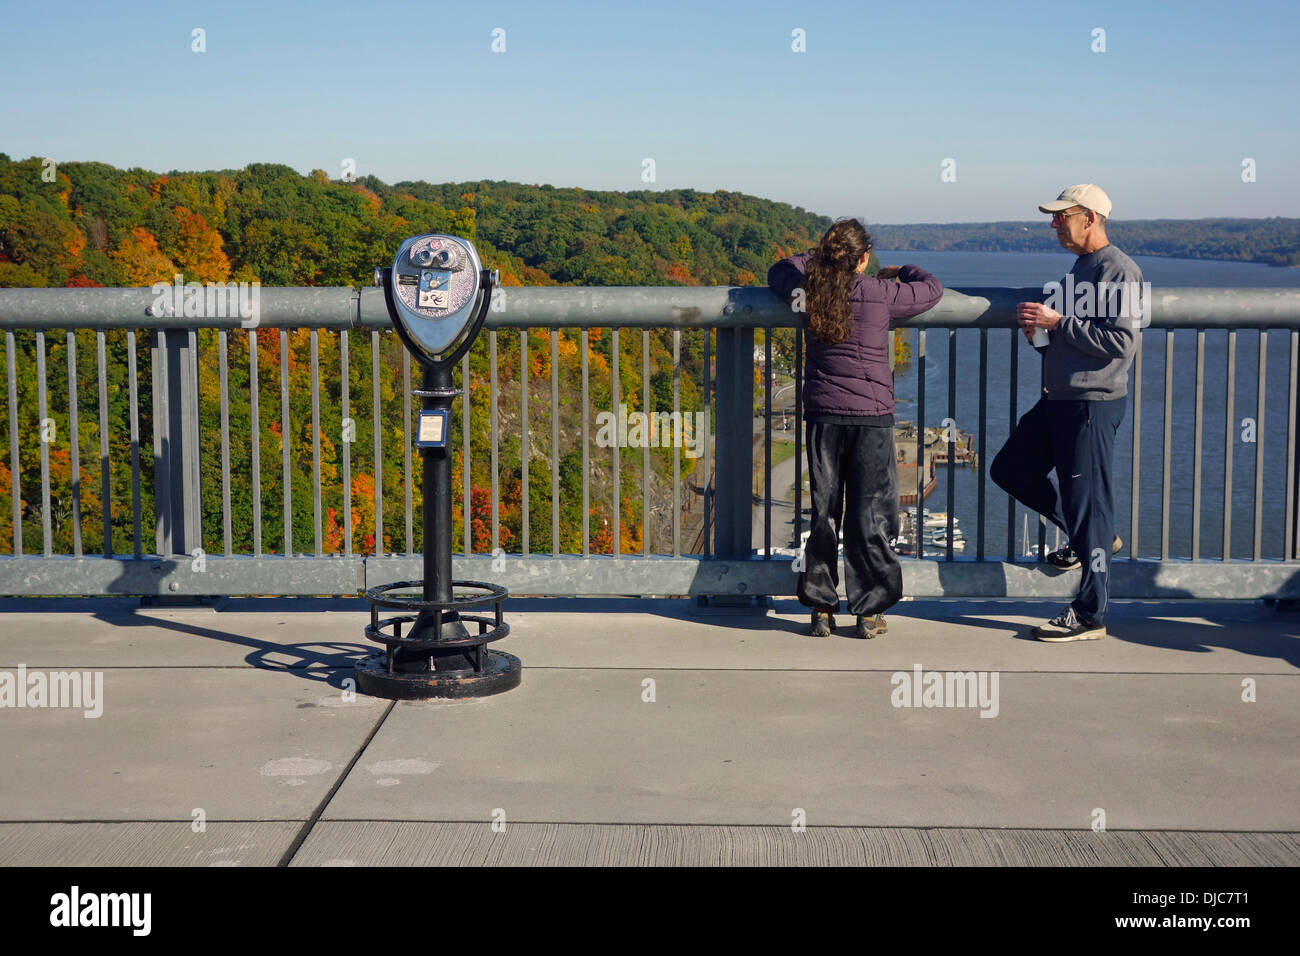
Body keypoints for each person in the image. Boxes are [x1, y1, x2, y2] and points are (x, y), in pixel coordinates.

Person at [768, 219, 943, 638]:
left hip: (824, 415)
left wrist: (818, 261)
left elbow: (780, 270)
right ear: (864, 258)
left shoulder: (807, 291)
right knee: (871, 513)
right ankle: (868, 610)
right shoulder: (880, 292)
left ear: (827, 257)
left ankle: (821, 607)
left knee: (824, 511)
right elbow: (932, 289)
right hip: (871, 416)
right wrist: (901, 270)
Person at [990, 183, 1143, 642]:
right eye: (1054, 217)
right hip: (1059, 398)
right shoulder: (1079, 269)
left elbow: (1122, 343)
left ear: (1090, 218)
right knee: (1011, 470)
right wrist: (1040, 334)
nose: (1054, 223)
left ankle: (1091, 614)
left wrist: (1059, 323)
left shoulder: (1120, 271)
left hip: (1091, 404)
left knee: (1088, 508)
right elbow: (1073, 340)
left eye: (1062, 216)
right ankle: (1087, 539)